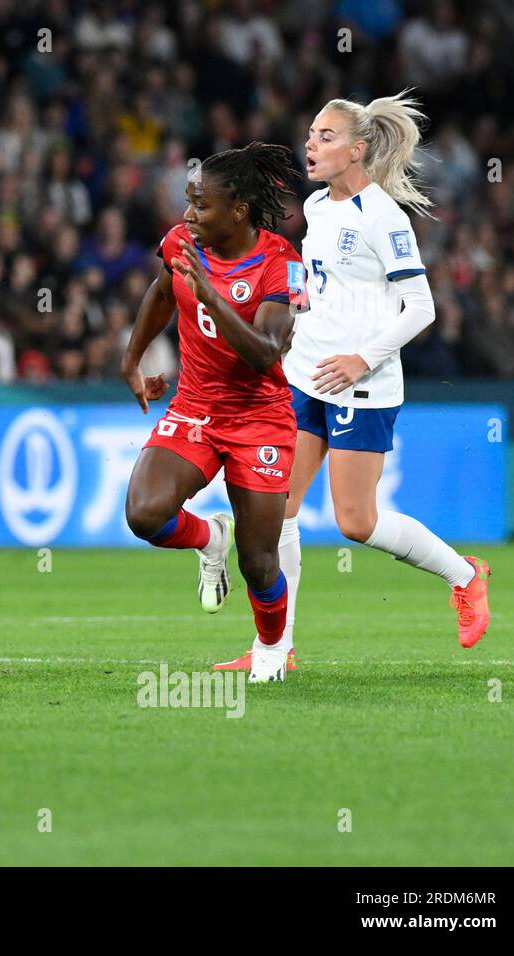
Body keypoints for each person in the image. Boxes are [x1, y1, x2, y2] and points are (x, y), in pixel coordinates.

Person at [214, 93, 490, 673]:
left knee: (355, 521)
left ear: (358, 149)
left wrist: (361, 359)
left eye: (326, 136)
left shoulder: (383, 218)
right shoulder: (317, 205)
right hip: (304, 375)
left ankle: (464, 575)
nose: (311, 144)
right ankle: (276, 648)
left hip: (360, 385)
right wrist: (287, 321)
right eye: (311, 133)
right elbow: (313, 281)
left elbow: (420, 309)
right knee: (277, 510)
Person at [122, 142, 305, 682]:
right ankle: (208, 539)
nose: (187, 215)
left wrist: (209, 291)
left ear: (238, 212)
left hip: (261, 417)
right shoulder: (182, 242)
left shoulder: (284, 264)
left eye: (200, 206)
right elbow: (161, 291)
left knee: (259, 561)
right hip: (196, 407)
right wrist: (132, 360)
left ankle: (271, 647)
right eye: (187, 202)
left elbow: (266, 352)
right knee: (144, 514)